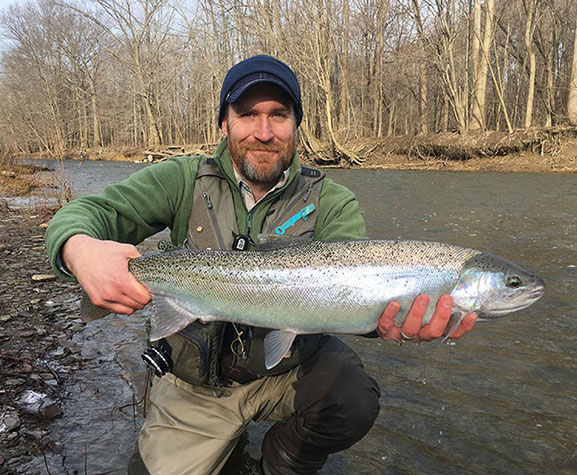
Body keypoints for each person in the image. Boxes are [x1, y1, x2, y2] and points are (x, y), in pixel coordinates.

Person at [44, 55, 478, 474]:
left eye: (279, 115)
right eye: (248, 114)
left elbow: (353, 296)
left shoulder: (332, 201)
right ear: (224, 122)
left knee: (353, 397)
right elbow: (84, 215)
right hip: (196, 388)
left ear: (296, 126)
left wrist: (386, 323)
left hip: (287, 373)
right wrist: (80, 250)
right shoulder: (181, 179)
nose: (264, 131)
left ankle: (277, 463)